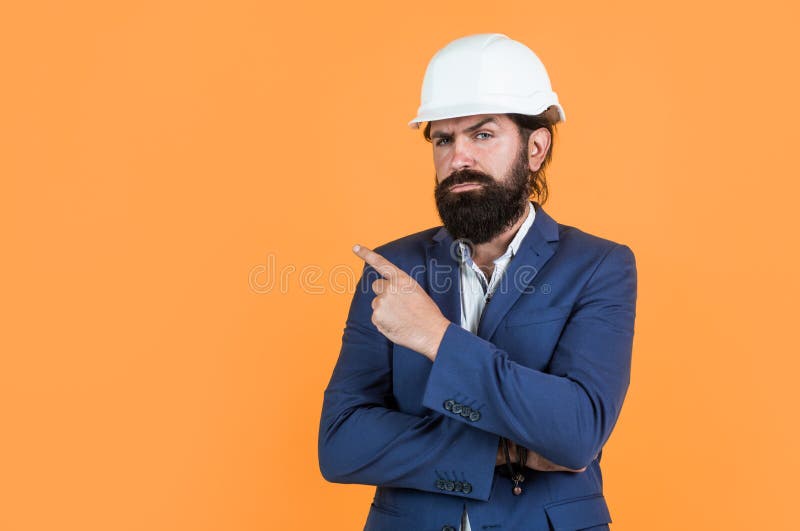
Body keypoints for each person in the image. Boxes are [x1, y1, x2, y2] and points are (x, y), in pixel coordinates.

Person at [318, 33, 637, 531]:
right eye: (443, 139)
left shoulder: (599, 266)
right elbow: (341, 444)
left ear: (535, 147)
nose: (458, 157)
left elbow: (576, 432)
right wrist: (507, 449)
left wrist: (434, 337)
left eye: (481, 135)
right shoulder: (391, 269)